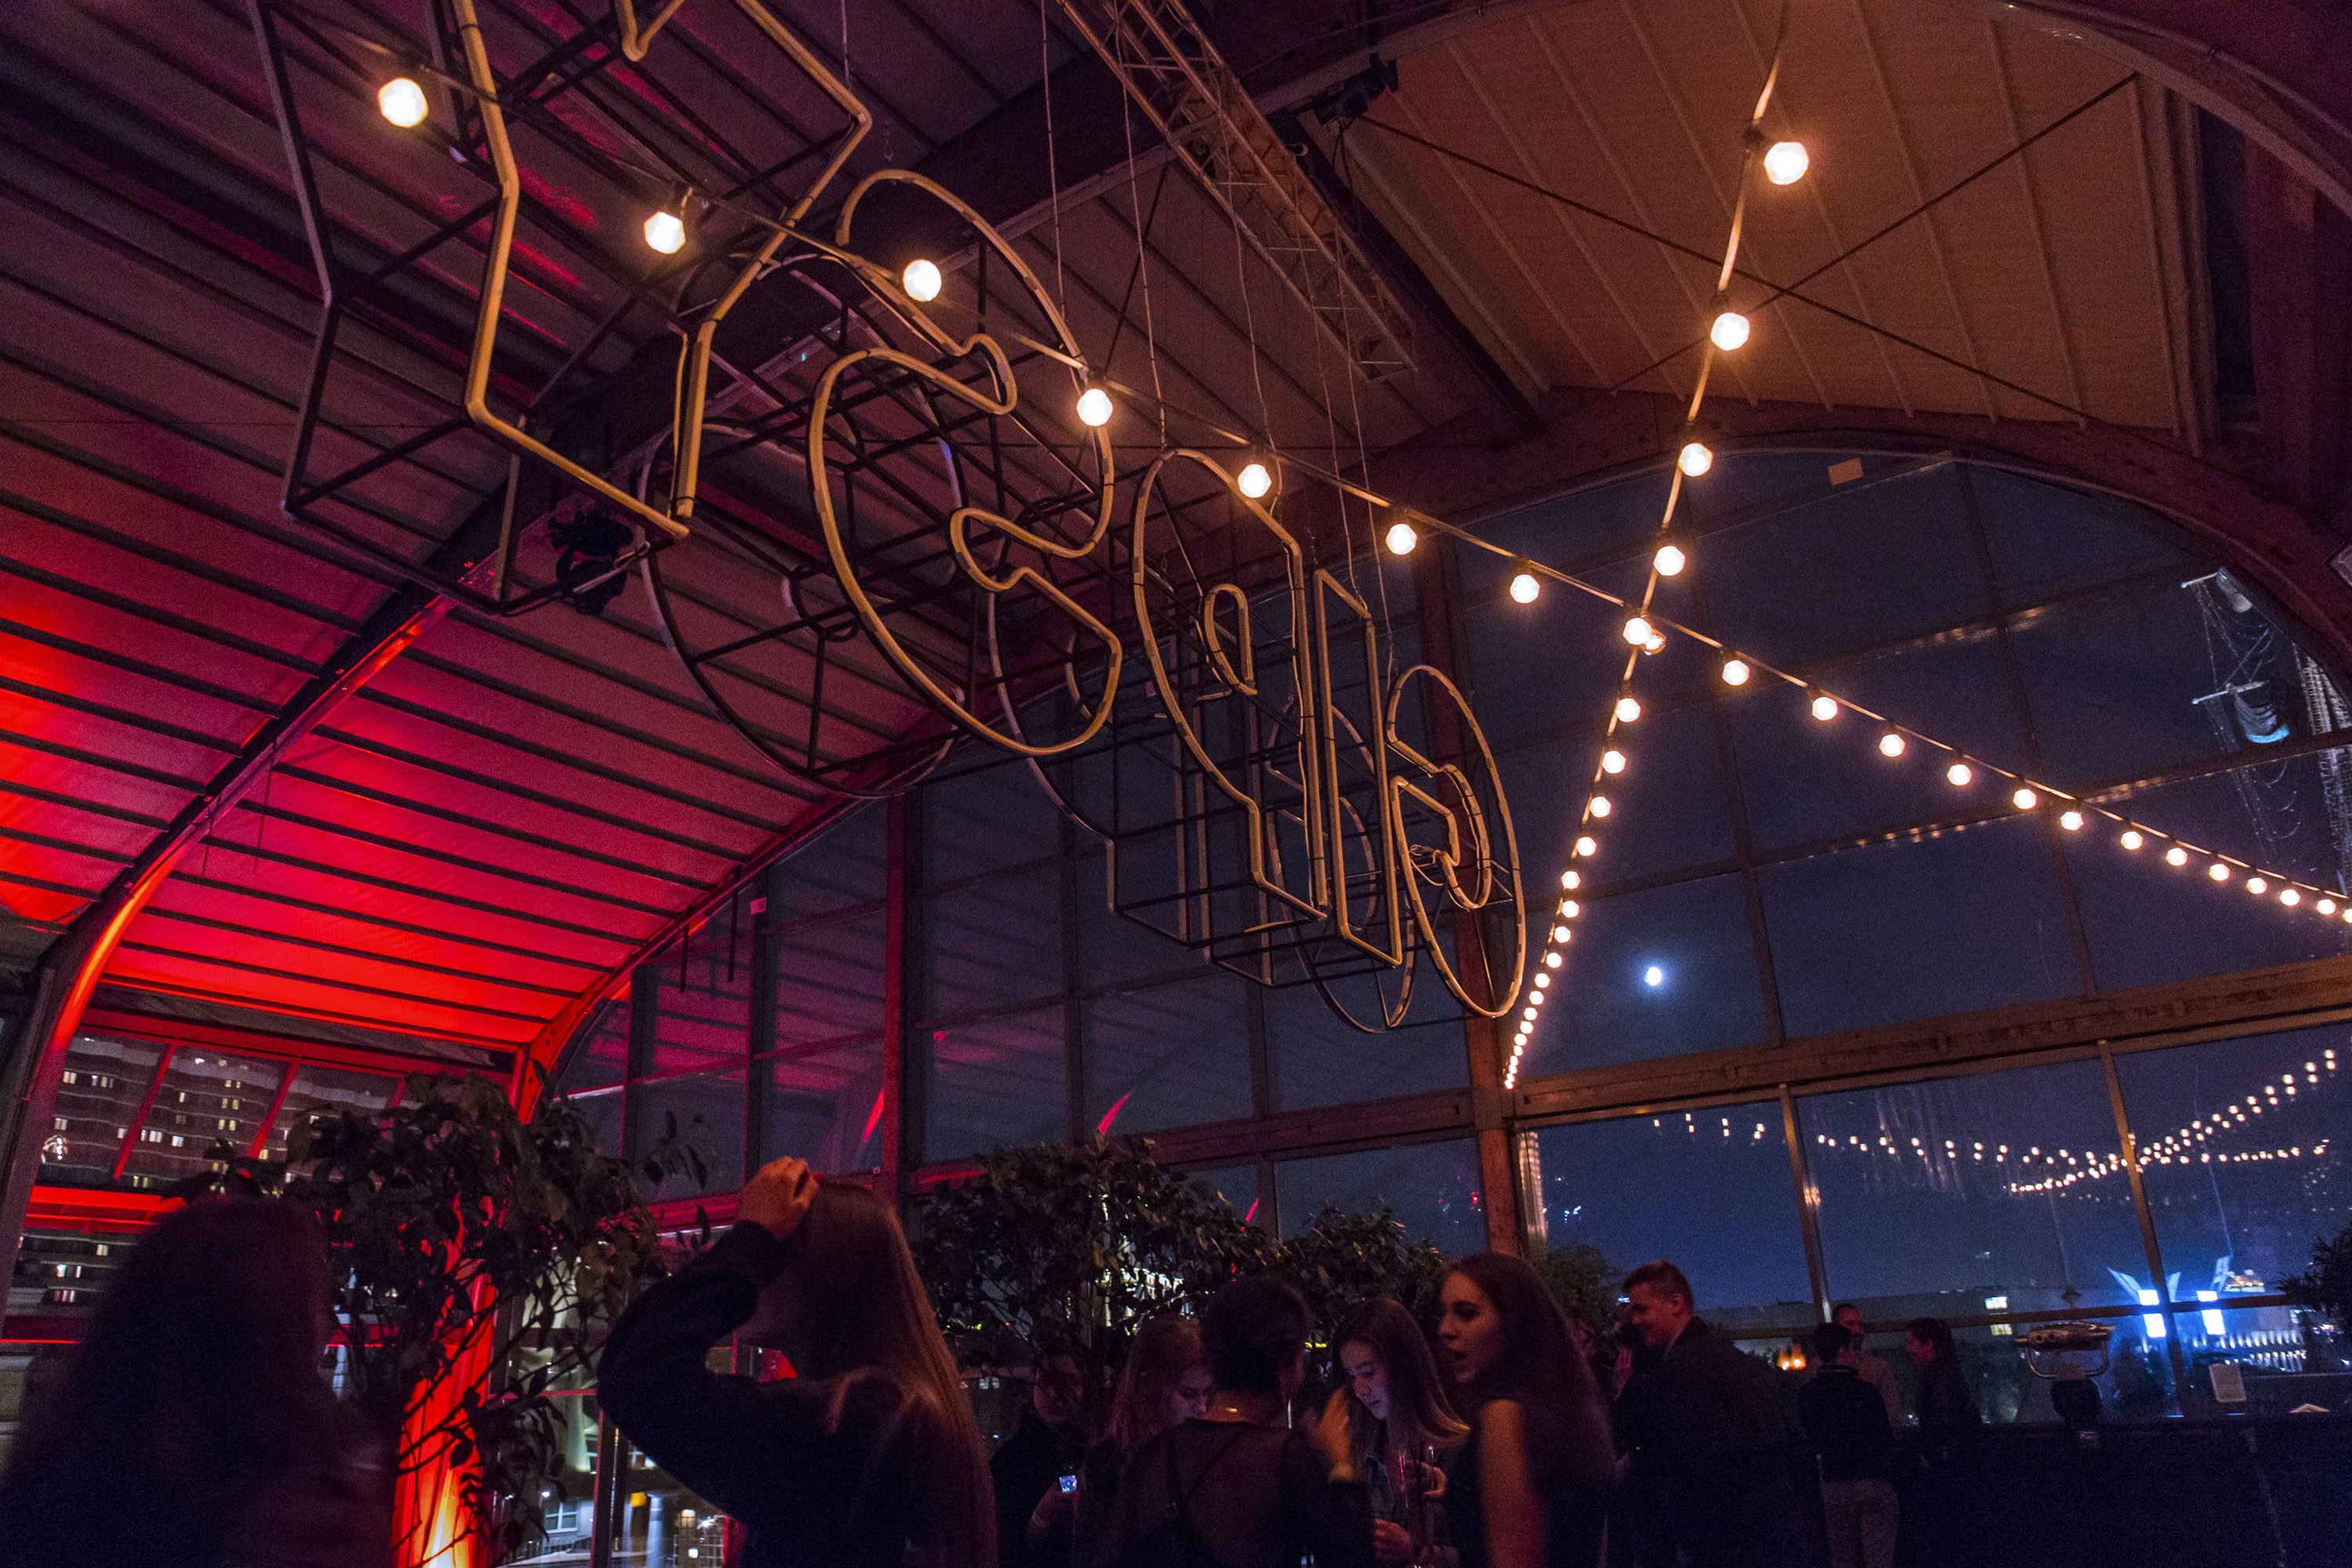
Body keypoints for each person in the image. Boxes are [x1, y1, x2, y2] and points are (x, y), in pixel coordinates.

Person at [598, 1156, 993, 1568]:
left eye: (776, 1249)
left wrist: (753, 1237)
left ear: (824, 1270)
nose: (757, 1268)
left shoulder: (861, 1420)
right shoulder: (895, 1410)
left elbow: (637, 1376)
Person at [0, 1197, 391, 1568]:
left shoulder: (68, 1469)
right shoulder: (313, 1500)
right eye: (315, 1301)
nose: (326, 1326)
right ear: (280, 1331)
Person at [1093, 1275, 1372, 1568]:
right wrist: (1341, 1466)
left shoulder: (1152, 1457)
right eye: (1299, 1355)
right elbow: (1353, 1559)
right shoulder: (1283, 1458)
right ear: (1284, 1366)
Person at [1613, 1260, 1802, 1568]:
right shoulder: (1722, 1355)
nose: (1634, 1321)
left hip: (1731, 1537)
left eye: (1642, 1310)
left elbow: (1695, 1460)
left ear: (1676, 1304)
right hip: (1767, 1527)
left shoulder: (1684, 1367)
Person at [1436, 1254, 1617, 1568]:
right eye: (1445, 1313)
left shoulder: (1505, 1414)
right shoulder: (1570, 1407)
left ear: (1515, 1323)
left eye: (1466, 1313)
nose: (1445, 1329)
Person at [1328, 1298, 1470, 1566]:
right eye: (1352, 1376)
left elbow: (1490, 1552)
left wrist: (1424, 1554)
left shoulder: (1459, 1449)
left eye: (1368, 1372)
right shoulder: (1358, 1450)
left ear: (1405, 1366)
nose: (1360, 1389)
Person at [1071, 1313, 1213, 1568]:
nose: (1202, 1407)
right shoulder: (1110, 1466)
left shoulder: (1196, 1452)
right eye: (1189, 1394)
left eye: (1206, 1393)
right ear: (1147, 1387)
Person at [1797, 1323, 1897, 1568]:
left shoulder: (1808, 1394)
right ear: (1843, 1352)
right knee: (1878, 1555)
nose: (1856, 1356)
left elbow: (1810, 1438)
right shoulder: (1865, 1391)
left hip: (1833, 1484)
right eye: (1852, 1350)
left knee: (1843, 1556)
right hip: (1871, 1480)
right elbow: (1886, 1437)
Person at [993, 1348, 1093, 1568]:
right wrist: (1040, 1518)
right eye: (1047, 1382)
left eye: (1070, 1382)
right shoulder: (1008, 1463)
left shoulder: (1099, 1454)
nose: (1057, 1393)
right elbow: (1000, 1550)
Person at [1897, 1319, 1979, 1568]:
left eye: (1911, 1342)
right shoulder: (1949, 1372)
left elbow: (1941, 1426)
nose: (1908, 1349)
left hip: (1945, 1469)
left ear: (1928, 1344)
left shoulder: (1937, 1377)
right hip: (1957, 1466)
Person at [1832, 1303, 1903, 1431]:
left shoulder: (1877, 1367)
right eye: (1850, 1324)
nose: (1857, 1330)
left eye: (1860, 1325)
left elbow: (1892, 1413)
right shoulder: (1877, 1368)